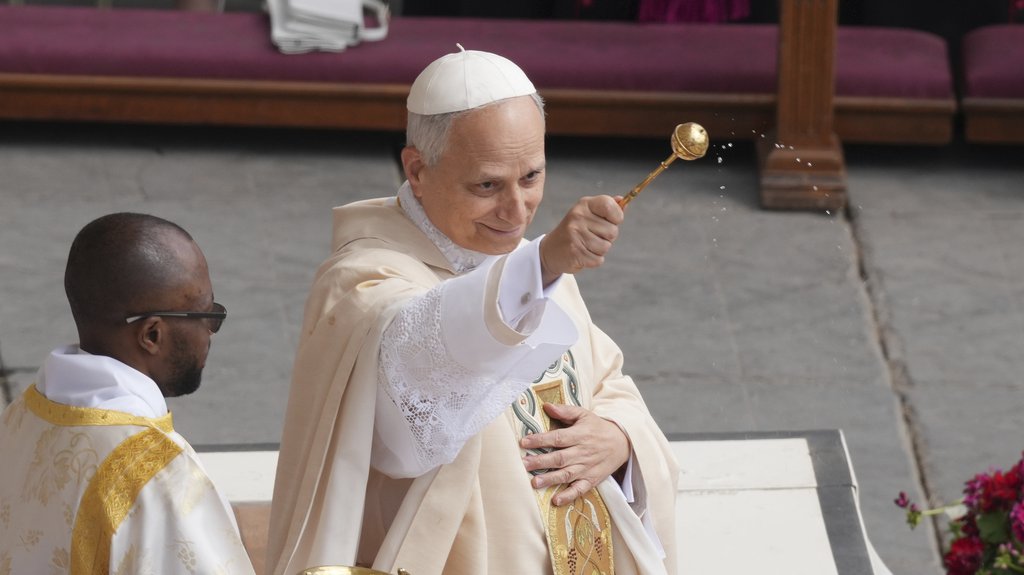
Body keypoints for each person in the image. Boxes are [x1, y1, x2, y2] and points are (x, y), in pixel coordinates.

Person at [266, 48, 679, 575]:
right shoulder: (363, 282)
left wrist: (618, 437)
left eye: (531, 177)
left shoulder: (532, 263)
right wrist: (543, 263)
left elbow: (605, 378)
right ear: (417, 169)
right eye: (487, 186)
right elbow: (419, 368)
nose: (516, 211)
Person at [0, 213, 255, 575]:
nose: (211, 332)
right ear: (152, 335)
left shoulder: (21, 415)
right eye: (207, 314)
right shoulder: (154, 472)